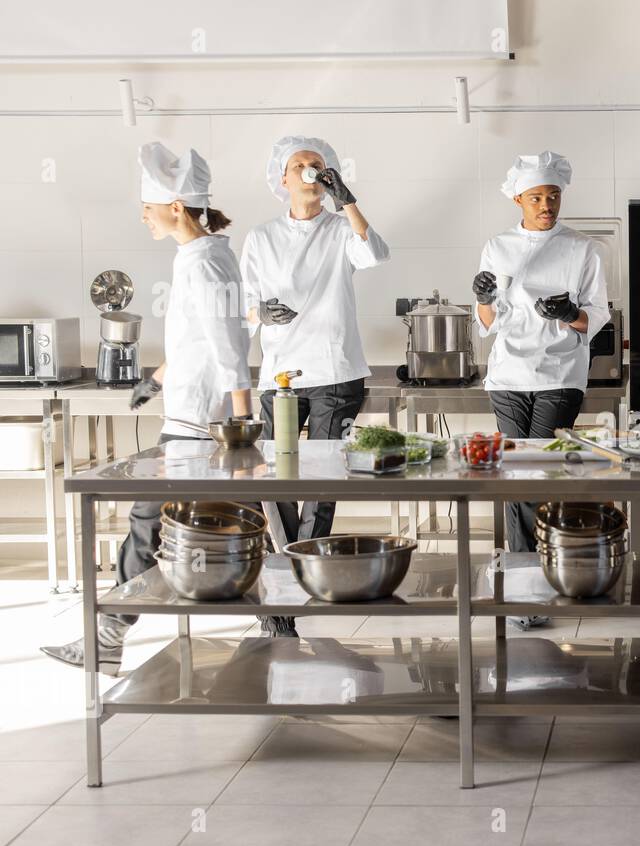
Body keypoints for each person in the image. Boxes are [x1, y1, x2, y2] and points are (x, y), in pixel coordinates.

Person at [41, 143, 252, 675]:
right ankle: (110, 634)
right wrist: (157, 378)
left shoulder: (205, 261)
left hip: (204, 424)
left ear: (177, 207)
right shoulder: (199, 256)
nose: (143, 216)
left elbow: (228, 342)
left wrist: (243, 416)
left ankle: (108, 635)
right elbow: (194, 342)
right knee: (158, 522)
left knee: (148, 519)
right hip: (190, 413)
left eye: (149, 207)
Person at [240, 135, 389, 636]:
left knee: (322, 484)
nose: (310, 171)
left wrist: (348, 199)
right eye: (301, 165)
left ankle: (294, 586)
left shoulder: (339, 228)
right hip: (280, 375)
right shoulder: (261, 237)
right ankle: (285, 589)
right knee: (277, 482)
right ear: (282, 180)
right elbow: (244, 307)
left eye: (319, 165)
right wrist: (262, 312)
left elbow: (375, 254)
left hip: (337, 373)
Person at [472, 150, 610, 629]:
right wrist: (483, 298)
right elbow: (488, 323)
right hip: (508, 375)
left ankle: (534, 583)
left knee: (540, 473)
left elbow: (597, 316)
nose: (547, 204)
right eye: (536, 197)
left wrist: (568, 313)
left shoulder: (584, 249)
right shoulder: (498, 246)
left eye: (553, 196)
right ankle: (528, 585)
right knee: (516, 475)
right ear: (518, 199)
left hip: (560, 375)